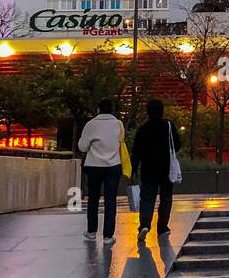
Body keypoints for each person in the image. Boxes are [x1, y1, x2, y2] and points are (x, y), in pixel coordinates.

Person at [130, 99, 182, 242]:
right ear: (162, 110)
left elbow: (136, 152)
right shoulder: (169, 126)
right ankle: (162, 227)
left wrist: (133, 168)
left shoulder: (143, 129)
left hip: (149, 170)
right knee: (166, 198)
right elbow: (177, 145)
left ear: (147, 112)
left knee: (147, 198)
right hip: (166, 169)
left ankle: (145, 225)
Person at [78, 98, 125, 245]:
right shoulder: (118, 124)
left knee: (93, 199)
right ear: (112, 109)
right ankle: (108, 236)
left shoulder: (91, 124)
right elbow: (121, 141)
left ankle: (91, 232)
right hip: (113, 166)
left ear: (98, 109)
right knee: (110, 200)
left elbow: (82, 147)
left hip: (94, 166)